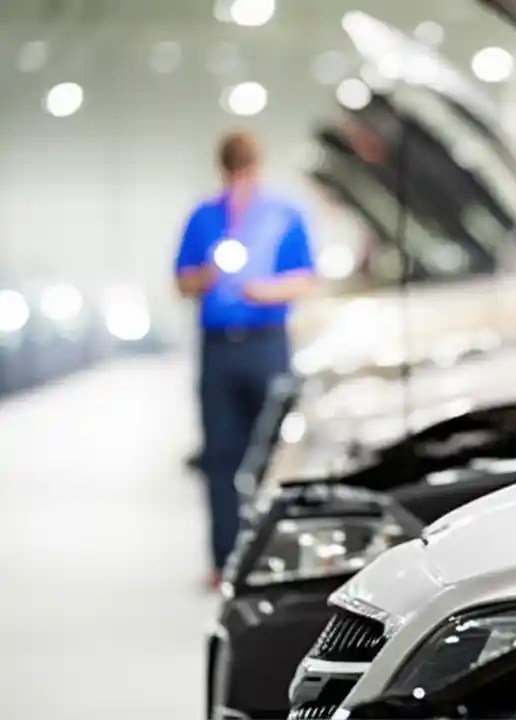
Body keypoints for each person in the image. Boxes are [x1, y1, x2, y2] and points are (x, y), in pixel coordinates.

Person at [175, 131, 317, 589]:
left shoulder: (284, 215)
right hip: (219, 348)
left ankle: (270, 559)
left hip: (266, 343)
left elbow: (305, 278)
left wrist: (266, 291)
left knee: (273, 456)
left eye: (245, 171)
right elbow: (181, 282)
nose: (239, 180)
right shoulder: (203, 218)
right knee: (220, 457)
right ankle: (224, 561)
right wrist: (209, 274)